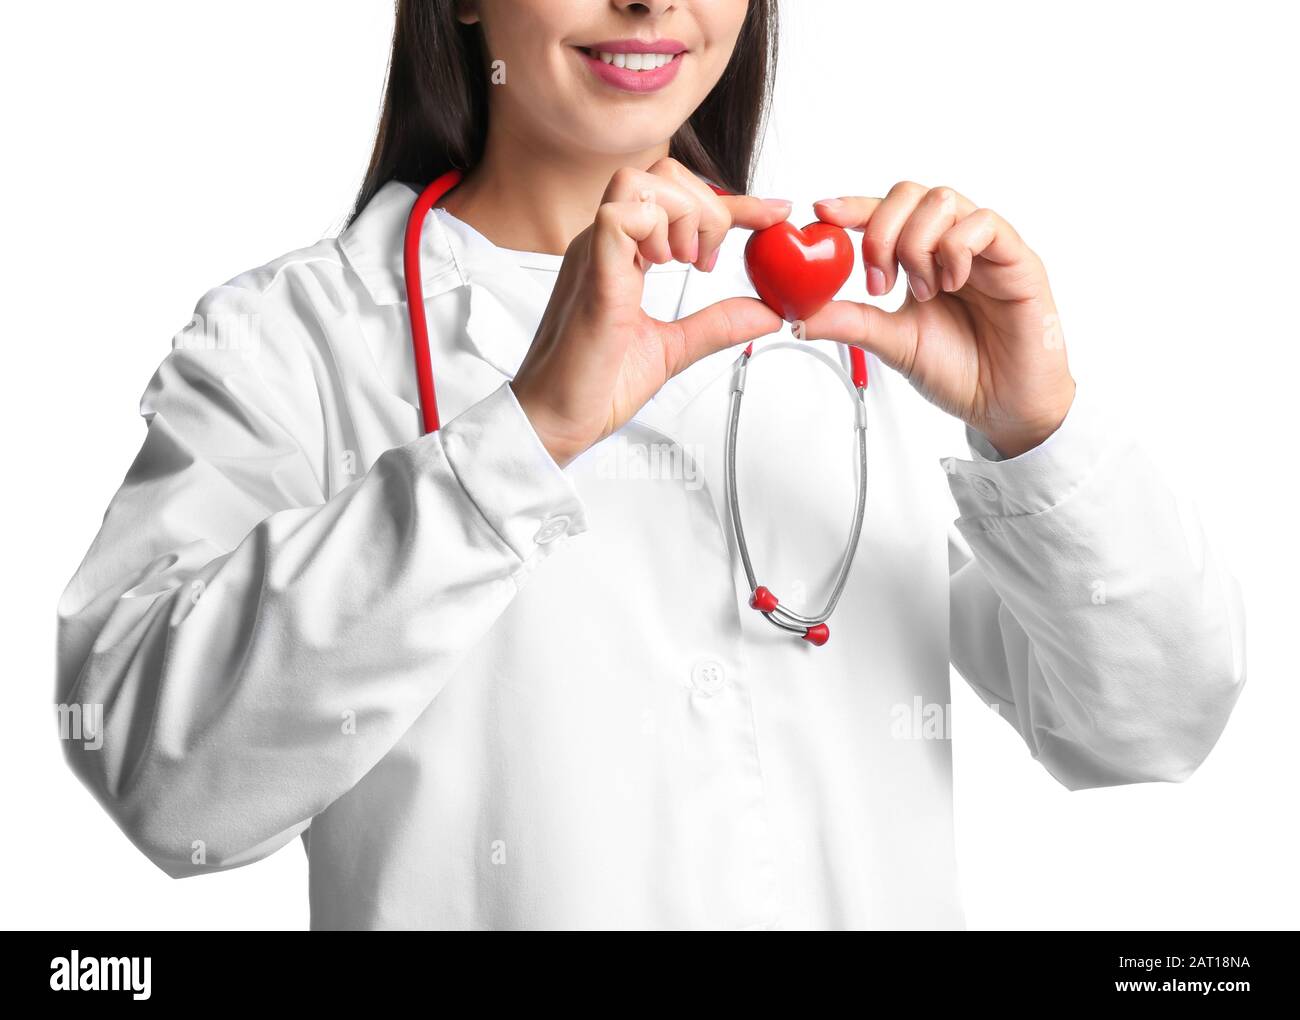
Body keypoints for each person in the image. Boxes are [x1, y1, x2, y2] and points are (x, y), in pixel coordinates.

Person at [56, 0, 1246, 930]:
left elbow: (1148, 727)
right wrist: (517, 438)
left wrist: (1034, 430)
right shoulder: (294, 339)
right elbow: (168, 789)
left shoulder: (858, 314)